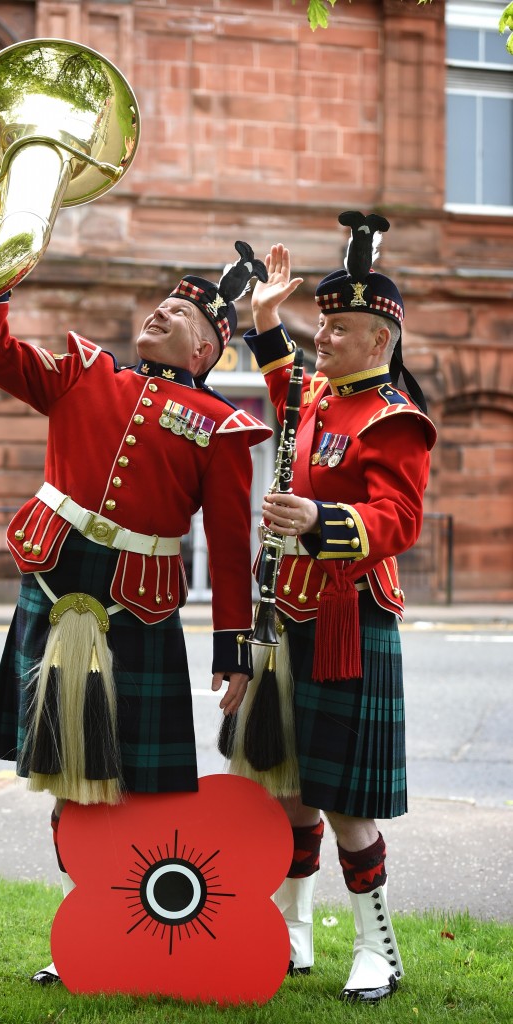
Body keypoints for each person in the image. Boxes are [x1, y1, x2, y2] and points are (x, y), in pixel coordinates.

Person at [0, 241, 271, 983]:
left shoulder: (222, 425)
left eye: (182, 312)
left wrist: (232, 654)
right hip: (56, 577)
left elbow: (229, 548)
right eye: (159, 304)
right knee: (68, 769)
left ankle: (119, 930)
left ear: (205, 343)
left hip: (139, 604)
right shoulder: (83, 371)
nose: (161, 312)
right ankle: (82, 926)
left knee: (129, 782)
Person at [234, 213, 436, 1004]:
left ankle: (377, 949)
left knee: (349, 806)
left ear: (379, 340)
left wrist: (321, 523)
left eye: (338, 326)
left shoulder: (395, 420)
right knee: (288, 790)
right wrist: (264, 322)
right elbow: (289, 385)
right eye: (322, 322)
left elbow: (401, 522)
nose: (324, 336)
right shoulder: (317, 392)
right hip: (289, 614)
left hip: (351, 616)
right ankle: (294, 934)